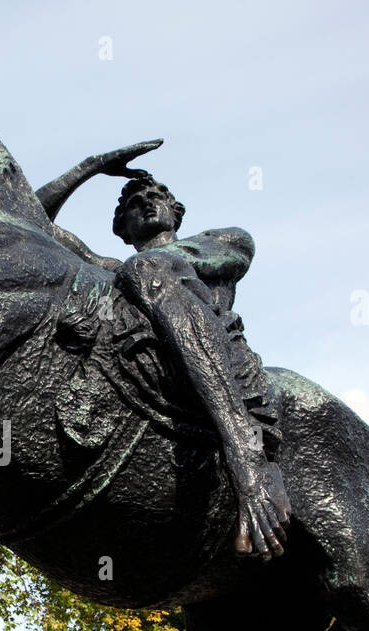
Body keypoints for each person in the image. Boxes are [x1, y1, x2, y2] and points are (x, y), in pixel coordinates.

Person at [37, 147, 289, 558]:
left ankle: (248, 458)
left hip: (228, 381)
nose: (147, 202)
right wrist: (89, 168)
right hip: (152, 377)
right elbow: (31, 222)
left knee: (144, 269)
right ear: (123, 227)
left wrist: (126, 272)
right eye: (134, 204)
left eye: (157, 195)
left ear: (176, 210)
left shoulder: (223, 241)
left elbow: (163, 264)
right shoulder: (114, 267)